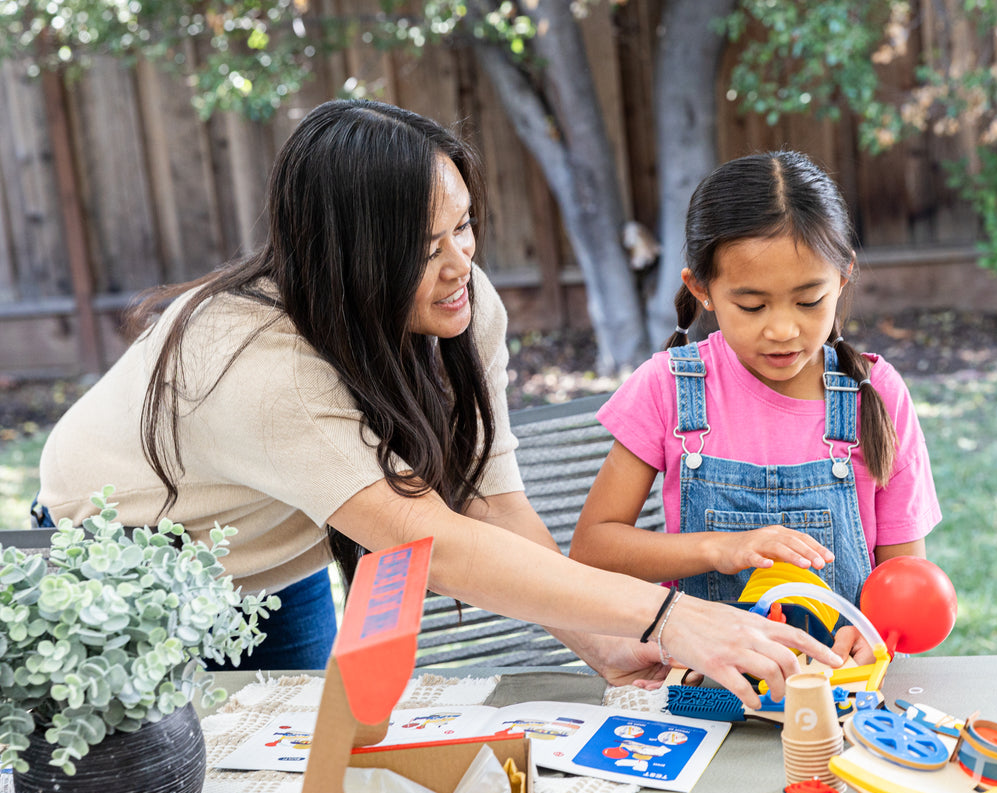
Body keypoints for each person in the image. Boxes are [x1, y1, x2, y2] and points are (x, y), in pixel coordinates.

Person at [36, 100, 840, 707]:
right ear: (349, 260)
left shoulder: (461, 305)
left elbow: (491, 506)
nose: (461, 263)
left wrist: (597, 636)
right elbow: (434, 544)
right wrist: (669, 618)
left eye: (465, 226)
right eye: (425, 248)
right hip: (125, 588)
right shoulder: (252, 364)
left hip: (270, 578)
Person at [570, 151, 942, 665]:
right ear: (701, 289)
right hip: (711, 692)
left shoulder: (875, 394)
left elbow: (905, 577)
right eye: (752, 305)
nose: (782, 330)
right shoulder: (667, 388)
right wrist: (718, 547)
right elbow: (593, 548)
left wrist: (880, 629)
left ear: (843, 277)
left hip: (841, 694)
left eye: (808, 301)